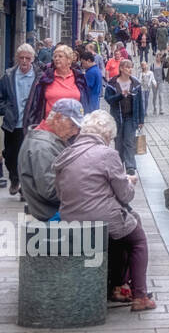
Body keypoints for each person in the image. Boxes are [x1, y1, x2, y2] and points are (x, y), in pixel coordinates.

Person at [54, 109, 155, 311]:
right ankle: (140, 296)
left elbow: (60, 191)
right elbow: (125, 195)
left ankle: (118, 287)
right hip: (101, 218)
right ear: (107, 135)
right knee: (137, 239)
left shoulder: (66, 154)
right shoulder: (107, 154)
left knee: (120, 233)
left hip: (70, 219)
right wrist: (129, 181)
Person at [18, 98, 82, 222]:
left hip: (53, 210)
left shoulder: (49, 139)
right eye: (72, 125)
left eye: (77, 127)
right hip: (51, 213)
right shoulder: (43, 147)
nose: (75, 132)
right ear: (57, 118)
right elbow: (50, 191)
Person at [0, 43, 38, 195]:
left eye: (27, 58)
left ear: (32, 59)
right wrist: (7, 110)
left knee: (28, 156)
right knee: (10, 154)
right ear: (17, 58)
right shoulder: (8, 76)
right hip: (13, 123)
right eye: (21, 58)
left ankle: (24, 187)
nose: (24, 61)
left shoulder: (39, 76)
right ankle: (14, 178)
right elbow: (1, 98)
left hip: (30, 123)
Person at [24, 45, 89, 128]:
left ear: (69, 60)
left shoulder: (79, 78)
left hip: (73, 130)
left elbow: (86, 104)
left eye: (60, 56)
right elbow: (36, 105)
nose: (57, 59)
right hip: (49, 128)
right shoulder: (46, 78)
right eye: (55, 56)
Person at [103, 58, 145, 176]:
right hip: (117, 117)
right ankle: (118, 163)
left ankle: (130, 166)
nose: (130, 69)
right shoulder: (112, 83)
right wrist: (120, 96)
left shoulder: (136, 84)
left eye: (131, 67)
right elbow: (109, 100)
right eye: (127, 67)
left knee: (129, 141)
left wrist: (141, 119)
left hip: (131, 117)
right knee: (118, 141)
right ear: (121, 69)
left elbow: (140, 103)